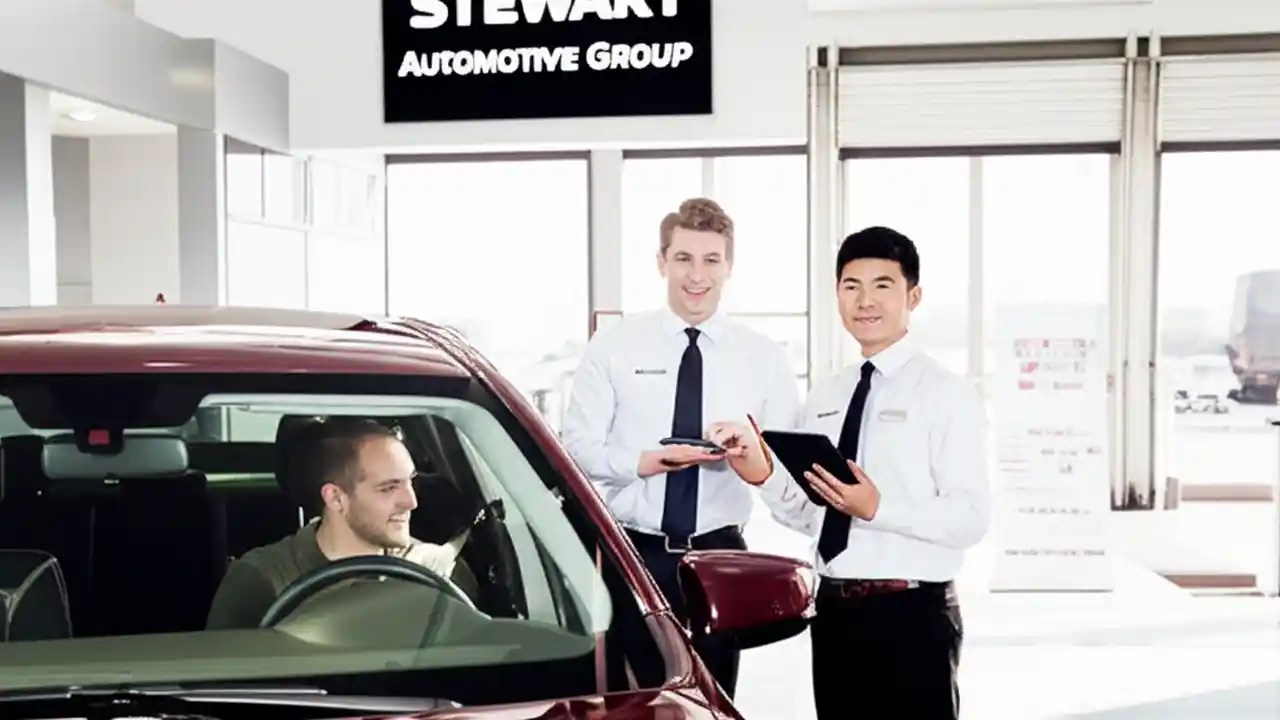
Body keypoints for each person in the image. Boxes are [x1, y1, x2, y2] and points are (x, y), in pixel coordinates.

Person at [706, 226, 992, 719]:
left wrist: (878, 509)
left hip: (913, 615)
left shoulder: (946, 393)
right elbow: (809, 512)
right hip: (835, 612)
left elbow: (970, 519)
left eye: (883, 285)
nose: (865, 301)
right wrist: (759, 469)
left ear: (913, 296)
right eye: (851, 286)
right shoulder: (826, 396)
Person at [560, 197, 799, 698]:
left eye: (711, 260)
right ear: (662, 261)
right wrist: (645, 463)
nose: (697, 275)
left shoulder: (762, 357)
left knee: (713, 698)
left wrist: (748, 452)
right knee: (639, 699)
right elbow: (576, 449)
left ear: (728, 266)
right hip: (634, 552)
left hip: (719, 555)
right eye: (684, 258)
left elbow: (781, 466)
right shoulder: (614, 346)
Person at [205, 417, 467, 630]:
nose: (411, 502)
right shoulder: (261, 580)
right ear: (336, 498)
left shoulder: (436, 571)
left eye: (411, 481)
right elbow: (222, 684)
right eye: (388, 488)